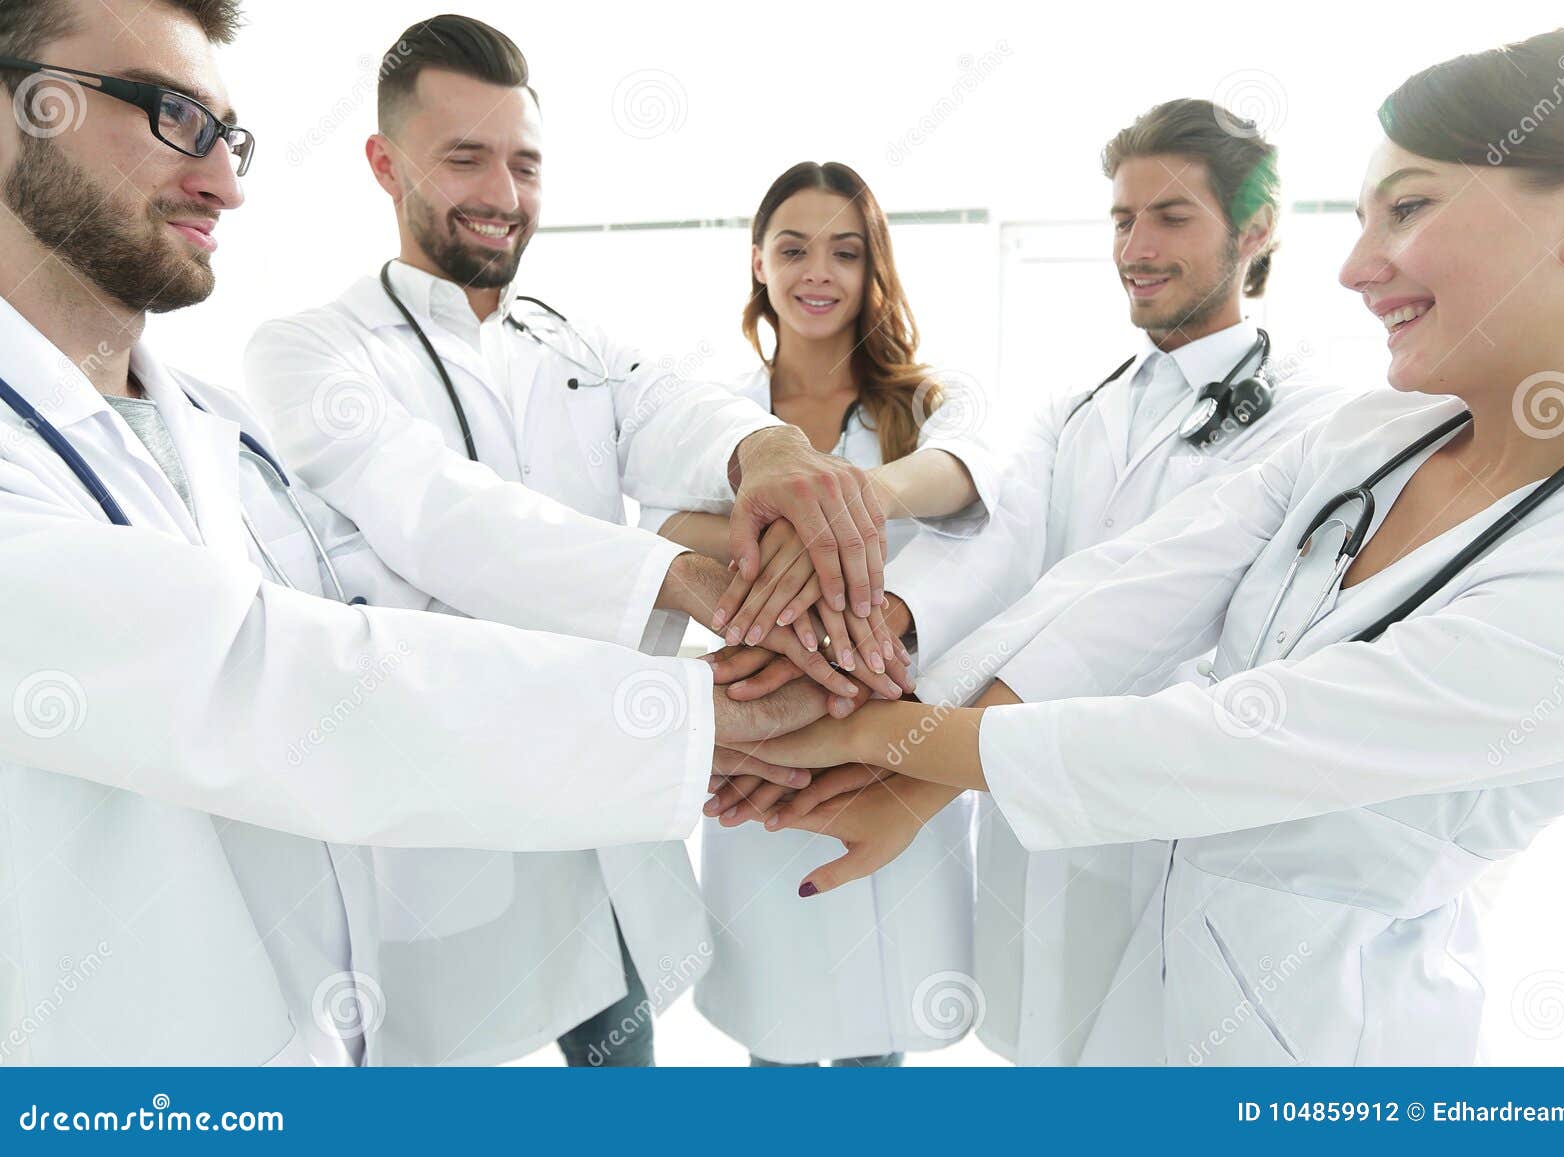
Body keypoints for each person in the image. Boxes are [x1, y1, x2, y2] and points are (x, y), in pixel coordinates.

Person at [732, 25, 1564, 1066]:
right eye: (1121, 218)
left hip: (1330, 1042)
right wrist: (908, 748)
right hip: (1138, 961)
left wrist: (874, 734)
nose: (1357, 266)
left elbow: (1242, 737)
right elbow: (1126, 586)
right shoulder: (1372, 434)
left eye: (1408, 207)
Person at [0, 0, 826, 1066]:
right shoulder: (309, 354)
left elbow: (359, 608)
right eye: (169, 113)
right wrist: (697, 657)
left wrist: (766, 460)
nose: (225, 182)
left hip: (388, 956)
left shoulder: (219, 428)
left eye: (229, 135)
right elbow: (298, 648)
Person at [239, 16, 896, 1066]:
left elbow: (674, 408)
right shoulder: (309, 349)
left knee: (624, 1084)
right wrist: (683, 579)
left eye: (524, 162)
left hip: (604, 822)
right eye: (466, 158)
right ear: (384, 162)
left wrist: (764, 448)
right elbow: (435, 509)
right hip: (452, 844)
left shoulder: (570, 335)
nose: (502, 191)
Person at [711, 100, 1350, 1064]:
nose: (1136, 246)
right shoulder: (1073, 406)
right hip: (1027, 814)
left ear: (1255, 231)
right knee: (1036, 1055)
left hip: (1166, 808)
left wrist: (896, 754)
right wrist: (877, 627)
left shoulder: (1314, 417)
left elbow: (1141, 601)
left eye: (1170, 217)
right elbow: (995, 545)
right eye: (1122, 219)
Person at [643, 161, 998, 1066]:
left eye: (846, 251)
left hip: (890, 728)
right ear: (757, 261)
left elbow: (972, 489)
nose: (818, 273)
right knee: (782, 1025)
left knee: (883, 1039)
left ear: (874, 269)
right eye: (793, 248)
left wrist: (829, 509)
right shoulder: (718, 409)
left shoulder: (928, 401)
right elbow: (654, 518)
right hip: (765, 736)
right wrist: (810, 531)